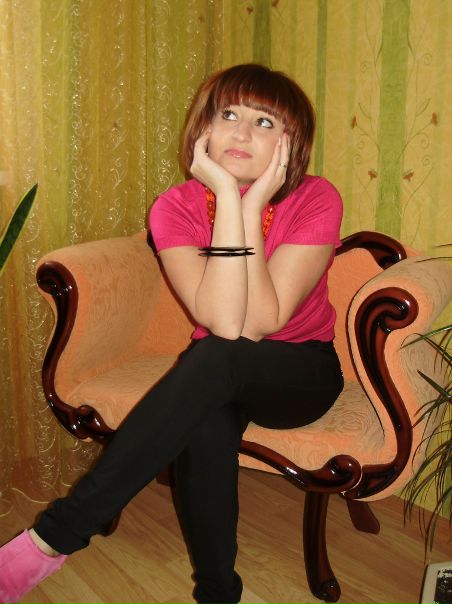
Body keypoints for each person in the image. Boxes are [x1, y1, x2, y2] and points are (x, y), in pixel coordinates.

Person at [0, 63, 344, 604]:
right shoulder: (174, 208)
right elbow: (222, 321)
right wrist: (228, 196)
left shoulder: (316, 198)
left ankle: (53, 538)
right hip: (214, 370)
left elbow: (257, 324)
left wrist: (249, 205)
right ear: (203, 127)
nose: (241, 132)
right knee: (206, 418)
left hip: (298, 370)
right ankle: (218, 592)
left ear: (290, 144)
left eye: (264, 122)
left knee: (219, 356)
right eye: (228, 114)